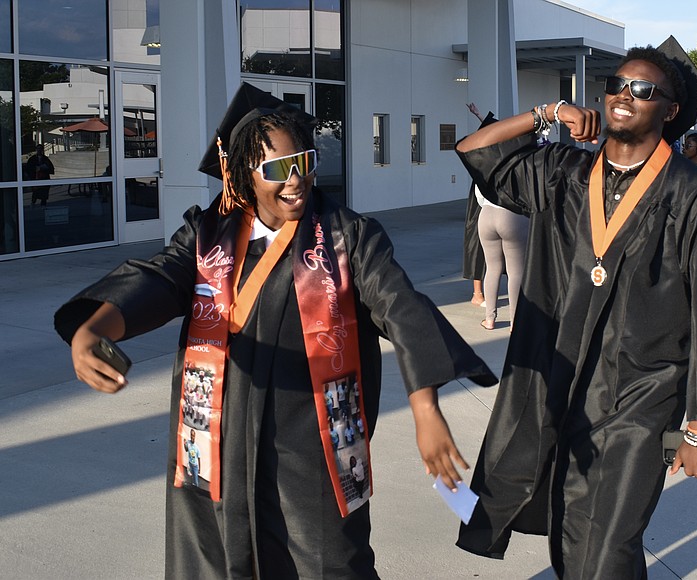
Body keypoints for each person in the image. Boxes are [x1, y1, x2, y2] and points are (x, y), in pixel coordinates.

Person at [54, 82, 496, 578]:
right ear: (245, 172)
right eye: (278, 170)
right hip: (216, 441)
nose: (297, 180)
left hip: (313, 448)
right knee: (216, 560)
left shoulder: (347, 237)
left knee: (329, 562)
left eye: (304, 161)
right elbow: (156, 279)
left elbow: (402, 306)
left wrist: (425, 408)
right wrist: (92, 329)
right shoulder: (207, 236)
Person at [454, 37, 697, 579]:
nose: (623, 94)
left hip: (641, 392)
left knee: (609, 538)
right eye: (616, 84)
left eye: (644, 89)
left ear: (670, 111)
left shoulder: (693, 192)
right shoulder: (564, 173)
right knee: (570, 519)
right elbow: (475, 150)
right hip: (560, 378)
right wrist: (547, 112)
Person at [475, 170, 529, 330]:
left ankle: (490, 319)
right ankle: (515, 321)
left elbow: (479, 196)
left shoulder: (488, 165)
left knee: (492, 268)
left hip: (486, 213)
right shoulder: (523, 165)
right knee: (516, 271)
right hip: (513, 215)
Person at [463, 103, 497, 308]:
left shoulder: (489, 161)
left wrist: (479, 114)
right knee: (479, 251)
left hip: (489, 210)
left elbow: (493, 128)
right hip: (481, 211)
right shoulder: (480, 164)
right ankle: (477, 294)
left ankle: (480, 293)